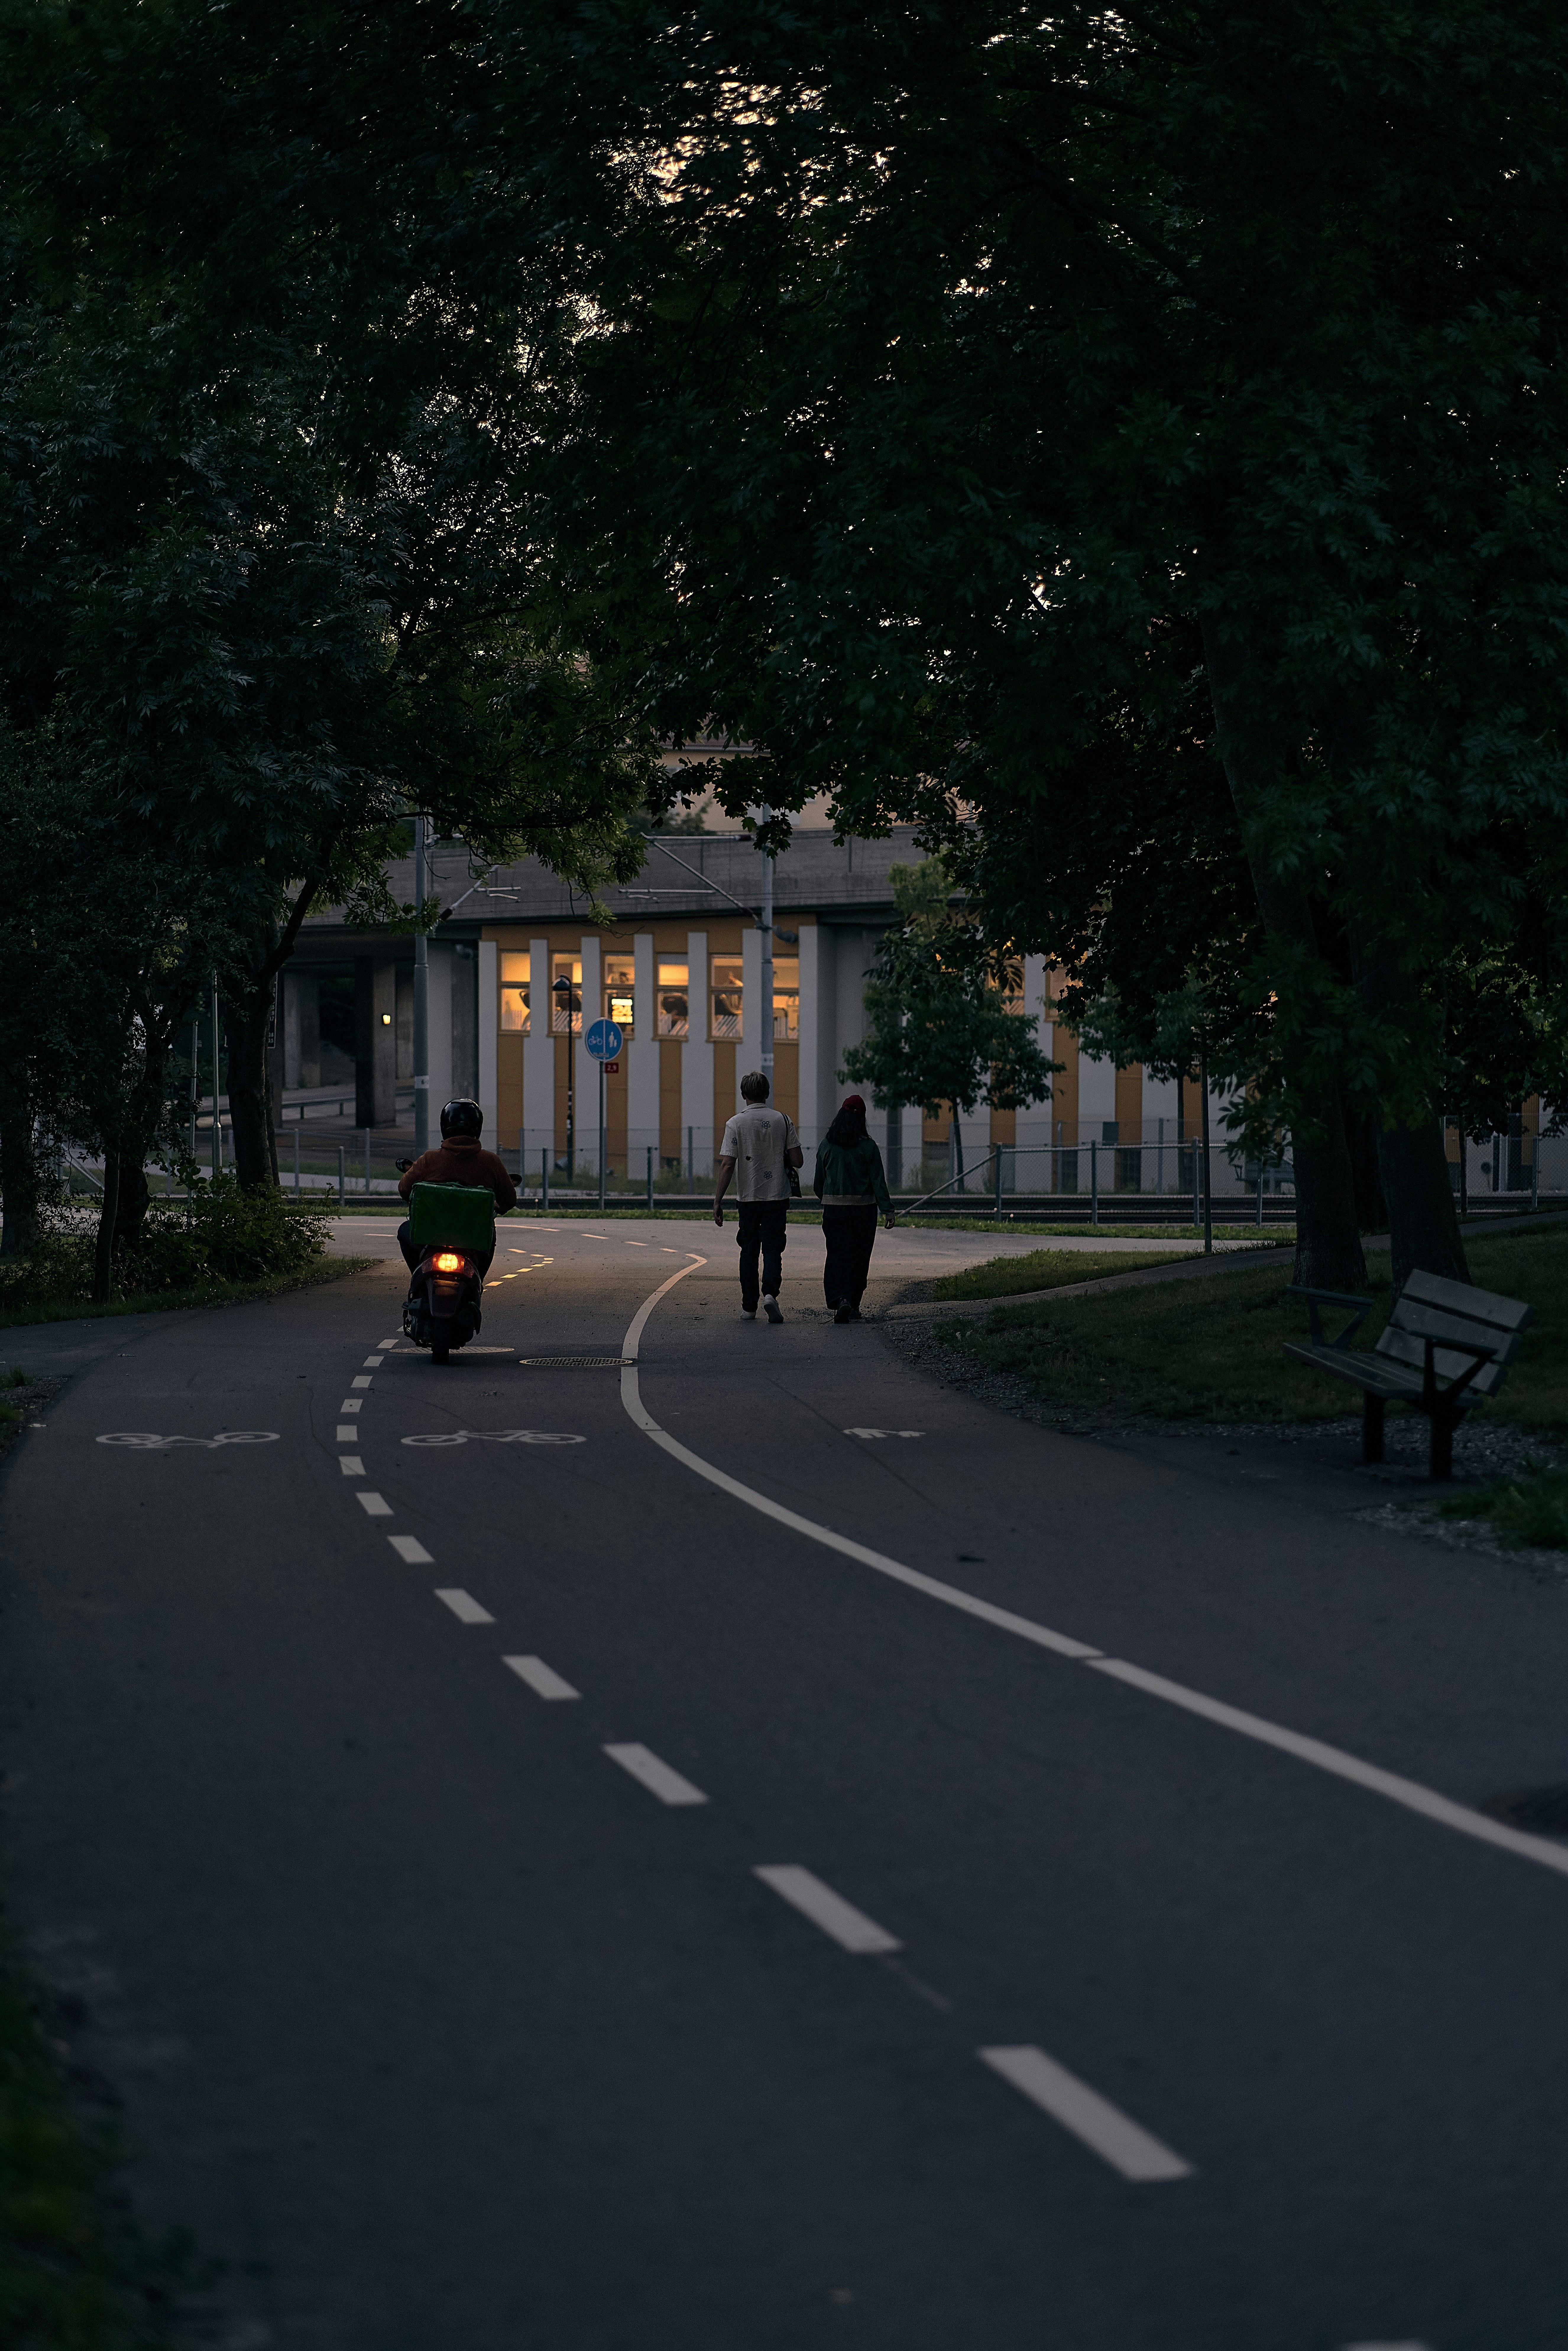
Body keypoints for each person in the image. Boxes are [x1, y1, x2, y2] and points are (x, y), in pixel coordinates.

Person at [713, 1070, 803, 1322]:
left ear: (744, 1095)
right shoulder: (783, 1121)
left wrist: (718, 1200)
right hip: (777, 1197)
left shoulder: (735, 1124)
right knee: (774, 1248)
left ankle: (749, 1307)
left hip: (749, 1198)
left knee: (749, 1250)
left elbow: (728, 1165)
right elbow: (798, 1161)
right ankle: (771, 1295)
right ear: (767, 1093)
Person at [395, 1099, 517, 1280]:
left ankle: (419, 1277)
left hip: (431, 1237)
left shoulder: (429, 1159)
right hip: (473, 1241)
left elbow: (404, 1190)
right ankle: (477, 1283)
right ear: (478, 1128)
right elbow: (509, 1202)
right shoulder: (491, 1162)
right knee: (490, 1235)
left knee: (404, 1231)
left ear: (445, 1127)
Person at [813, 1094, 895, 1322]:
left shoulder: (826, 1146)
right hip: (864, 1211)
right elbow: (878, 1182)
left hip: (835, 1211)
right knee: (860, 1257)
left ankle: (841, 1299)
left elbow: (818, 1183)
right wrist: (888, 1210)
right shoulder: (868, 1147)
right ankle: (855, 1304)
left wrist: (828, 1197)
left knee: (838, 1255)